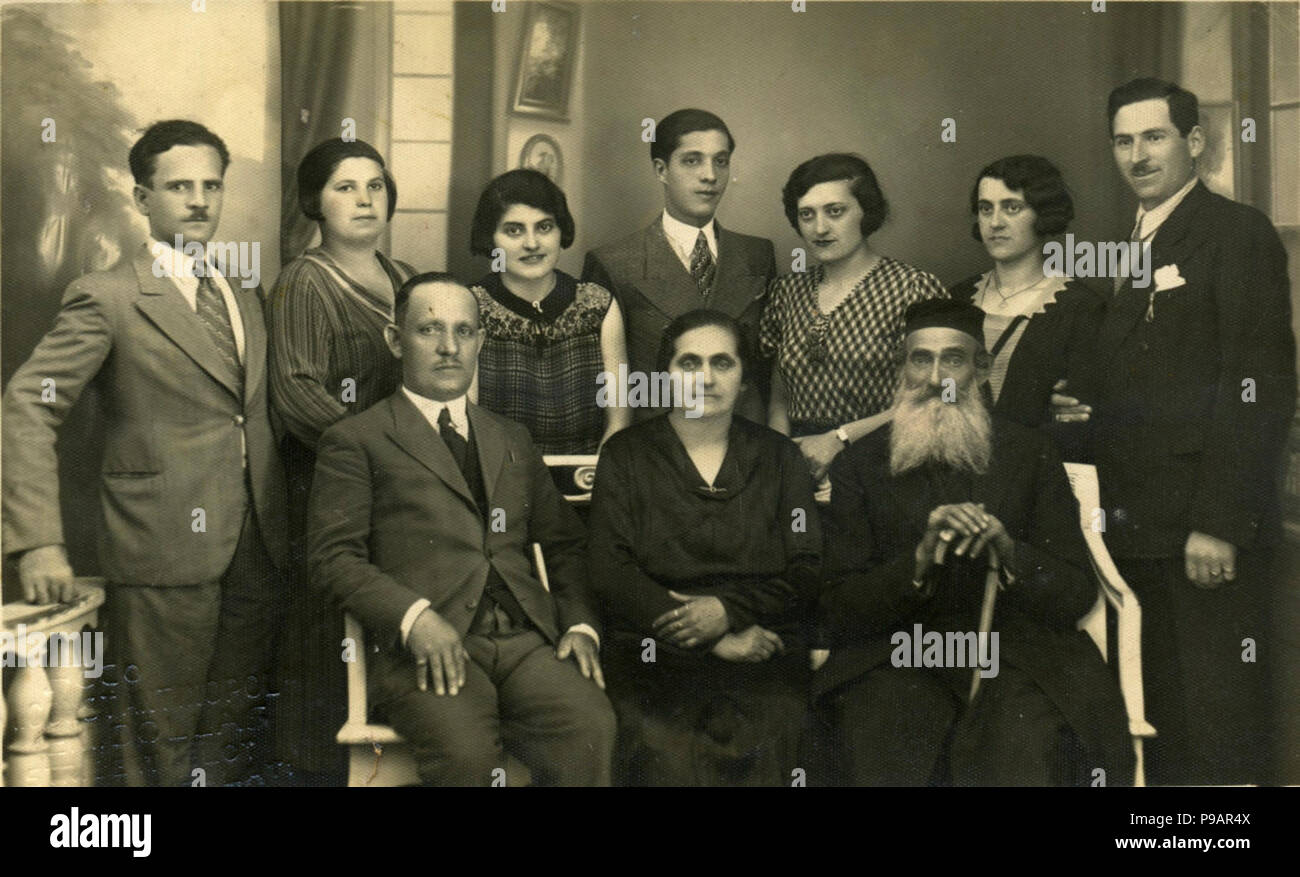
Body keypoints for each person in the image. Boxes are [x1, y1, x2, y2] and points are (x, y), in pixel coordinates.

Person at [1, 120, 289, 786]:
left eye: (210, 186)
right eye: (179, 186)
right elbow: (27, 404)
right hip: (161, 546)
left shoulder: (240, 292)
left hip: (257, 543)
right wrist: (38, 541)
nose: (198, 201)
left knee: (231, 733)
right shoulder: (107, 297)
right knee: (160, 741)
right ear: (142, 197)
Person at [1054, 79, 1295, 784]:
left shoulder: (1234, 232)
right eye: (1124, 141)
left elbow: (1258, 389)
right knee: (1160, 720)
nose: (1138, 154)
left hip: (1200, 528)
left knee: (1216, 725)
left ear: (1194, 143)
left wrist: (1217, 522)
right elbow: (1145, 377)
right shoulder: (1129, 241)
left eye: (1154, 137)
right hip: (1135, 528)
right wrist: (1082, 408)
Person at [308, 272, 615, 786]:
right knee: (467, 757)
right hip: (429, 649)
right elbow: (332, 559)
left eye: (465, 331)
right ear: (395, 340)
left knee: (591, 725)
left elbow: (565, 546)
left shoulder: (511, 437)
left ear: (479, 341)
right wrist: (414, 618)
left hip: (524, 643)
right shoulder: (357, 439)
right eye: (429, 331)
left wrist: (580, 625)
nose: (449, 347)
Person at [814, 298, 1133, 786]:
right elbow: (838, 606)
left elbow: (1076, 594)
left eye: (954, 359)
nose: (936, 375)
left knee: (1019, 743)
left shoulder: (1030, 453)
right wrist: (918, 561)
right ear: (902, 370)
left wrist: (1008, 550)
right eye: (921, 358)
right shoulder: (861, 465)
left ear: (981, 371)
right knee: (883, 734)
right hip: (902, 650)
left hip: (1015, 651)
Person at [588, 309, 821, 785]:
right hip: (653, 647)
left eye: (723, 363)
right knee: (661, 745)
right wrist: (710, 636)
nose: (707, 378)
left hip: (762, 644)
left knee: (775, 735)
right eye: (689, 363)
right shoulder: (626, 455)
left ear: (744, 378)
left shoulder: (780, 458)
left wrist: (729, 613)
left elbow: (807, 568)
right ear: (666, 375)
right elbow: (610, 568)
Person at [265, 137, 416, 783]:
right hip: (331, 487)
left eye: (375, 185)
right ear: (315, 203)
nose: (364, 199)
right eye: (345, 186)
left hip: (407, 487)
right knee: (330, 643)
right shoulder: (305, 279)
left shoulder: (407, 277)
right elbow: (297, 396)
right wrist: (381, 455)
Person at [761, 154, 946, 488]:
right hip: (800, 465)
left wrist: (839, 438)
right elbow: (779, 395)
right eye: (807, 214)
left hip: (884, 459)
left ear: (866, 211)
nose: (819, 228)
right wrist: (783, 453)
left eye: (835, 211)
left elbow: (937, 396)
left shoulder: (914, 289)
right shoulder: (787, 290)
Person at [582, 108, 776, 423]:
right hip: (658, 447)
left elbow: (766, 372)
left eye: (721, 161)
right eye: (692, 160)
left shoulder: (757, 254)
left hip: (745, 445)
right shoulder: (614, 263)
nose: (710, 175)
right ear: (661, 170)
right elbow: (605, 384)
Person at [467, 169, 629, 454]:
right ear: (491, 238)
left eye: (544, 227)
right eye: (513, 230)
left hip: (588, 480)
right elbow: (466, 421)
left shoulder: (598, 304)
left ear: (560, 231)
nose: (532, 243)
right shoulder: (469, 307)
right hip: (501, 482)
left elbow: (619, 421)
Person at [947, 155, 1105, 433]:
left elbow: (1080, 415)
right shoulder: (956, 298)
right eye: (986, 209)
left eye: (1012, 208)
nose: (995, 222)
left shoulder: (1082, 308)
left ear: (1043, 214)